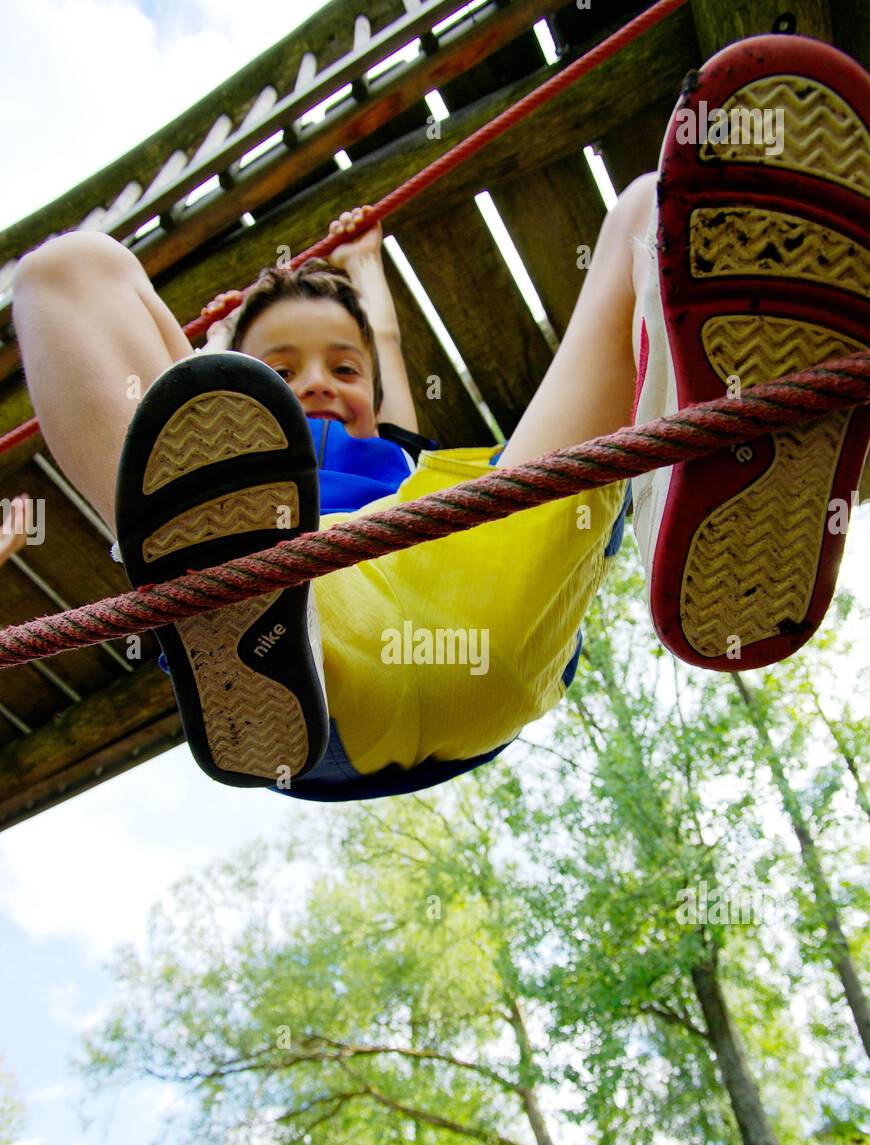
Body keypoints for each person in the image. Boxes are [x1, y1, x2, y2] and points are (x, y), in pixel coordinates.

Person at [11, 34, 868, 801]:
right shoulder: (248, 442)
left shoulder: (393, 454)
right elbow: (203, 390)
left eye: (343, 369)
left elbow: (379, 341)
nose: (318, 384)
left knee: (648, 208)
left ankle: (713, 458)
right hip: (305, 652)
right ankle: (223, 597)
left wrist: (362, 263)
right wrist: (225, 346)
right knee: (66, 269)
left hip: (478, 589)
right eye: (283, 370)